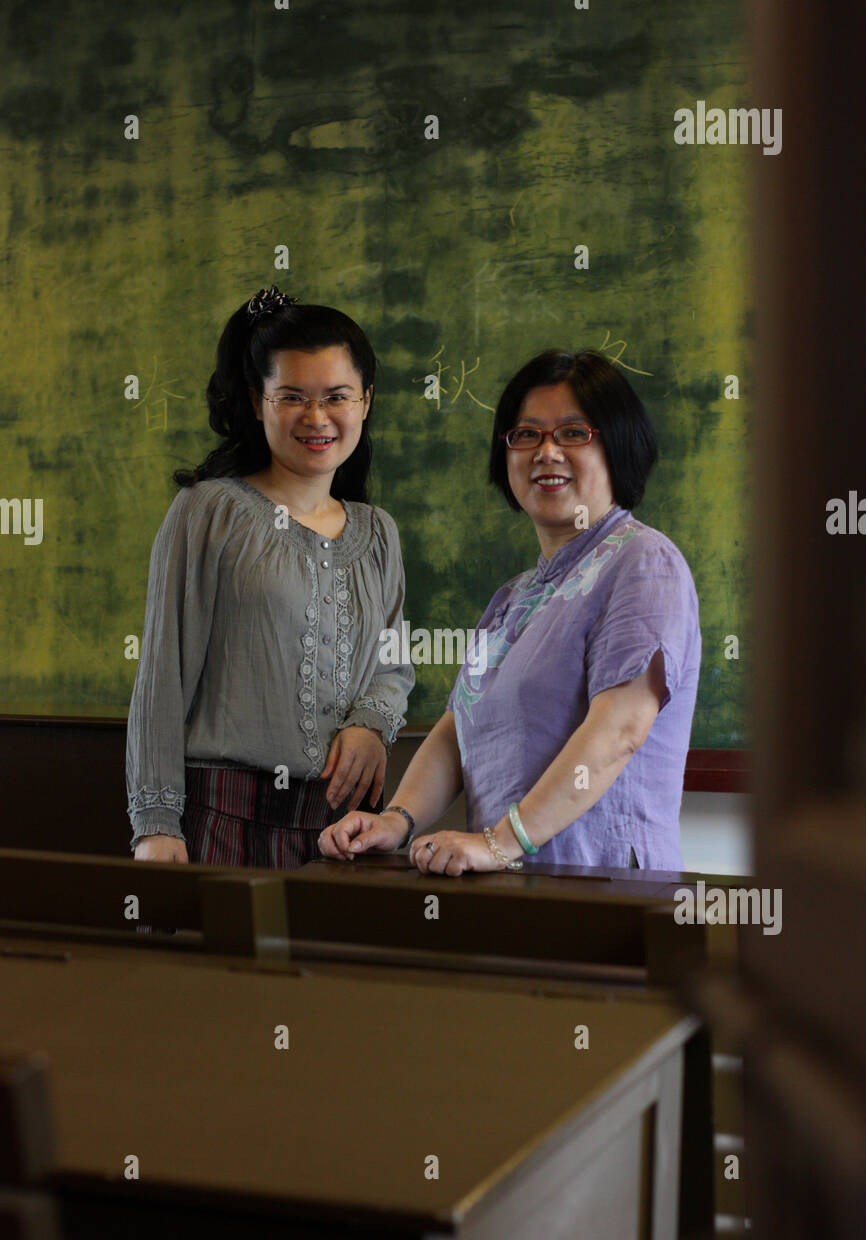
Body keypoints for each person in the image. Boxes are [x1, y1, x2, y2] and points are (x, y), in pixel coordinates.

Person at [319, 349, 700, 875]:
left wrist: (499, 842)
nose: (546, 452)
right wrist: (396, 820)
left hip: (604, 887)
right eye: (526, 435)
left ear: (618, 444)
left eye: (572, 432)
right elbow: (458, 729)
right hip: (513, 891)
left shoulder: (643, 562)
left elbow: (620, 731)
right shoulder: (514, 596)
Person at [126, 286, 414, 867]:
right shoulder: (208, 511)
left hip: (345, 829)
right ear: (258, 403)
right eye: (292, 397)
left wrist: (369, 727)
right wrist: (156, 825)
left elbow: (394, 662)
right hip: (222, 820)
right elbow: (162, 675)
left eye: (337, 396)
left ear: (365, 401)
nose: (317, 417)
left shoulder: (377, 531)